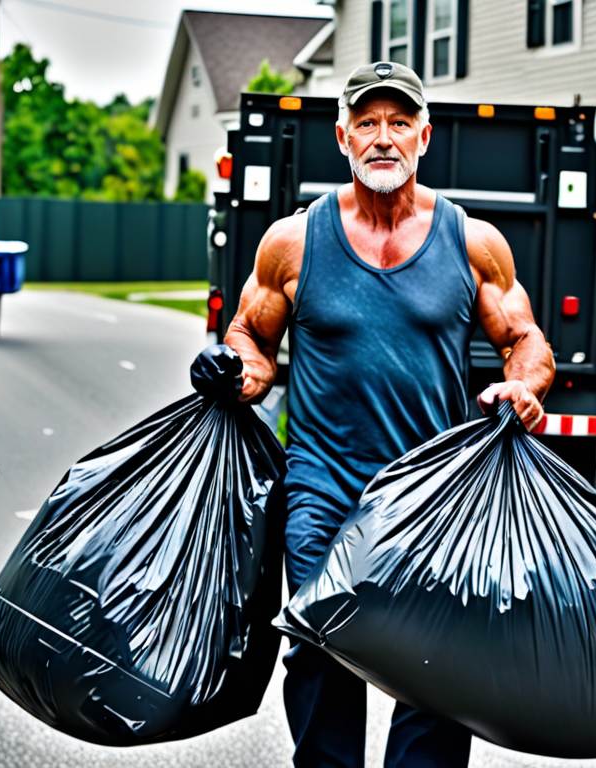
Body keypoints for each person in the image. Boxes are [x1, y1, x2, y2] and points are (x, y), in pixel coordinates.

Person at [225, 61, 555, 768]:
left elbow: (524, 340)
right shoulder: (293, 240)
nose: (384, 138)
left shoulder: (472, 243)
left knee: (436, 665)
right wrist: (245, 372)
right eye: (367, 123)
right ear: (342, 138)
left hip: (433, 497)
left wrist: (523, 387)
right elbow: (250, 333)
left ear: (424, 136)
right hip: (323, 485)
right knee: (318, 649)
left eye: (399, 122)